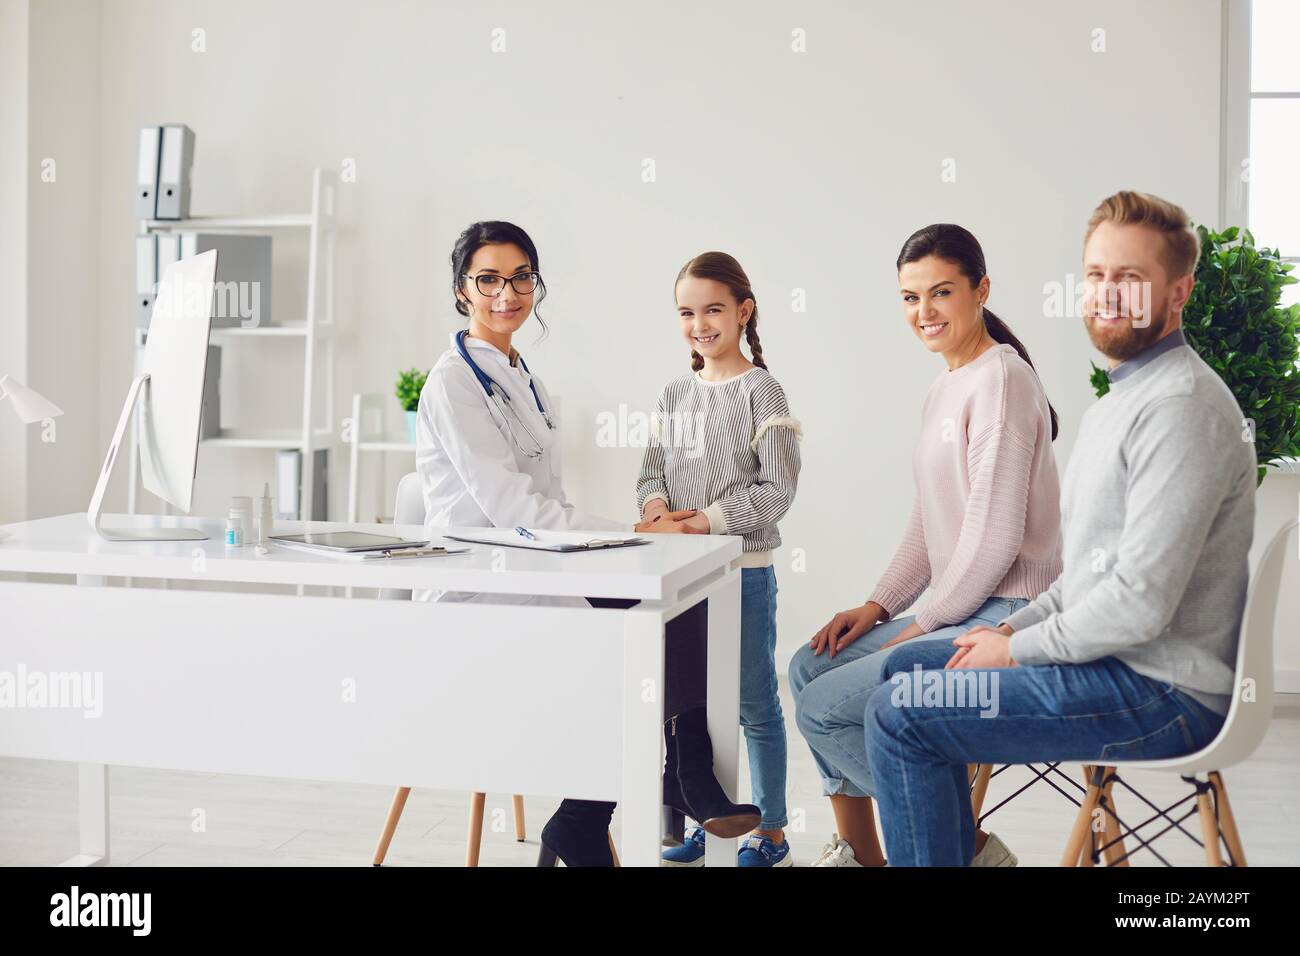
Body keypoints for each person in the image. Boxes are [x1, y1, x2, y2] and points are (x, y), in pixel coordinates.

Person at [864, 191, 1255, 866]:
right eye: (1097, 276)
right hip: (1123, 665)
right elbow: (1091, 577)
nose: (1106, 294)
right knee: (904, 665)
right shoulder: (1123, 399)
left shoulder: (1179, 408)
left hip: (1162, 692)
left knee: (901, 715)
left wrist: (1014, 652)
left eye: (1129, 279)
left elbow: (1137, 604)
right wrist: (1010, 630)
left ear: (1179, 292)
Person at [415, 221, 756, 866]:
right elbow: (512, 510)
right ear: (462, 290)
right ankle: (645, 791)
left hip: (537, 567)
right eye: (488, 279)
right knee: (638, 652)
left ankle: (656, 785)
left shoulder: (531, 383)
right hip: (486, 586)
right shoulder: (453, 383)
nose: (506, 293)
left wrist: (626, 538)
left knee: (683, 603)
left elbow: (550, 508)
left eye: (521, 277)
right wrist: (625, 536)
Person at [789, 224, 1062, 868]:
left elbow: (993, 542)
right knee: (809, 665)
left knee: (826, 707)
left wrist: (924, 626)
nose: (924, 313)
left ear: (981, 290)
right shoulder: (948, 384)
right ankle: (867, 855)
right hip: (965, 605)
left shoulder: (1002, 380)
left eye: (941, 293)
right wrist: (879, 608)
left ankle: (953, 851)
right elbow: (928, 522)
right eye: (910, 298)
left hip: (1004, 616)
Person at [636, 252, 803, 867]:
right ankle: (716, 819)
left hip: (743, 576)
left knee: (755, 704)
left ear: (743, 312)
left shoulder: (765, 391)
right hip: (680, 577)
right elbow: (650, 473)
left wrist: (703, 521)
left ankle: (774, 832)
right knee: (693, 708)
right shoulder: (674, 393)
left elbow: (778, 488)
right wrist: (658, 514)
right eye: (687, 312)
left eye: (713, 309)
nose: (700, 323)